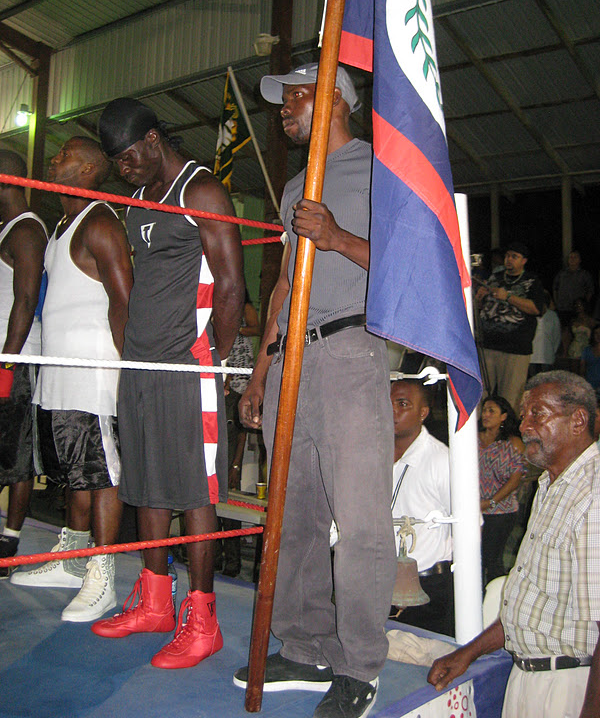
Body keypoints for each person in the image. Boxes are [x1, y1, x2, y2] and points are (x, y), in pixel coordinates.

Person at [233, 63, 396, 718]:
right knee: (291, 514)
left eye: (297, 96)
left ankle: (359, 666)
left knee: (359, 523)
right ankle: (304, 648)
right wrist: (261, 371)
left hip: (351, 351)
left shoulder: (382, 170)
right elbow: (283, 282)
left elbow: (410, 268)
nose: (284, 109)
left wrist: (337, 237)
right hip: (291, 359)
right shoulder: (296, 184)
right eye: (283, 100)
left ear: (336, 100)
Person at [92, 98, 244, 670]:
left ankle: (203, 621)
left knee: (194, 492)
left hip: (186, 364)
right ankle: (156, 601)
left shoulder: (200, 190)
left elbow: (230, 286)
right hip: (141, 365)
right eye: (116, 161)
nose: (124, 167)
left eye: (130, 155)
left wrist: (212, 359)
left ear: (154, 139)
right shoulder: (138, 199)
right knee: (147, 485)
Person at [428, 371, 600, 718]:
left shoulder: (592, 495)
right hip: (527, 677)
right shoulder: (549, 487)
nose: (524, 426)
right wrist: (468, 653)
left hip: (569, 687)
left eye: (538, 413)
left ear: (578, 420)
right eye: (524, 415)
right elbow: (530, 606)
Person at [10, 137, 133, 624]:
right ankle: (73, 557)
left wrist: (127, 374)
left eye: (64, 155)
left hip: (96, 372)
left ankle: (102, 573)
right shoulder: (62, 225)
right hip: (60, 369)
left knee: (102, 474)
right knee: (73, 469)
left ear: (86, 170)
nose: (54, 159)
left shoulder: (100, 222)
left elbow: (125, 300)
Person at [0, 151, 47, 574]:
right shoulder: (8, 228)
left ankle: (9, 540)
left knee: (16, 452)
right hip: (5, 356)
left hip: (16, 358)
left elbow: (27, 299)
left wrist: (7, 363)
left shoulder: (27, 229)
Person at [389, 379, 454, 637]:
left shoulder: (441, 460)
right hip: (378, 581)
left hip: (427, 589)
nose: (392, 411)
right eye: (387, 403)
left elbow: (470, 527)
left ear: (423, 412)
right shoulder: (371, 454)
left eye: (402, 404)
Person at [218, 289, 259, 577]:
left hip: (240, 377)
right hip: (222, 377)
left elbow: (256, 328)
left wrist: (234, 329)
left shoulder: (244, 305)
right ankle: (214, 554)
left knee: (228, 491)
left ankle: (232, 558)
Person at [476, 241, 544, 411]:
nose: (509, 259)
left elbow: (536, 308)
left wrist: (508, 297)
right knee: (481, 394)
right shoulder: (495, 278)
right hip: (488, 345)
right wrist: (480, 297)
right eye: (507, 256)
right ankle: (481, 426)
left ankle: (508, 427)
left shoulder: (532, 281)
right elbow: (482, 307)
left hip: (515, 349)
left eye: (515, 256)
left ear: (524, 261)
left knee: (511, 398)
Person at [478, 396, 524, 586]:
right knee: (474, 558)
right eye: (484, 410)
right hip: (475, 508)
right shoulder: (473, 438)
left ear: (503, 416)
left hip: (501, 511)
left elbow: (515, 480)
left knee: (492, 559)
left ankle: (496, 598)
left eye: (491, 411)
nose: (486, 415)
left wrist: (491, 502)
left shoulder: (513, 443)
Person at [553, 250, 594, 326]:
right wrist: (557, 302)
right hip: (562, 308)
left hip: (577, 309)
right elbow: (555, 288)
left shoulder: (584, 274)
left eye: (575, 257)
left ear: (580, 260)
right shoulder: (562, 273)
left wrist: (583, 306)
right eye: (570, 257)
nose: (572, 259)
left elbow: (590, 290)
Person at [528, 290, 561, 377]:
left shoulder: (553, 316)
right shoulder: (529, 314)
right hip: (531, 358)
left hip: (547, 358)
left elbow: (556, 337)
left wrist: (553, 351)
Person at [582, 323, 600, 394]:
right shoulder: (587, 350)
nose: (598, 336)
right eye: (596, 333)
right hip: (590, 385)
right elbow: (582, 369)